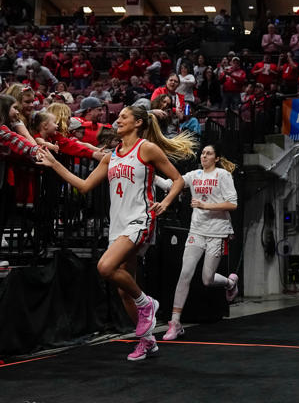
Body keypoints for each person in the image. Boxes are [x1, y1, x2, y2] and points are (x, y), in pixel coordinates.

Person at [37, 105, 196, 361]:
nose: (118, 119)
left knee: (105, 267)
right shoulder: (111, 156)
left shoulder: (146, 148)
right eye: (118, 116)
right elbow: (85, 185)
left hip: (140, 220)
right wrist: (54, 163)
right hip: (118, 225)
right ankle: (147, 341)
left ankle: (147, 304)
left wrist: (165, 203)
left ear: (138, 123)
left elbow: (177, 179)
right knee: (123, 290)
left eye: (124, 116)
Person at [155, 145, 239, 341]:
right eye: (202, 153)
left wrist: (204, 205)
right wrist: (151, 174)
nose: (204, 156)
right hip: (197, 231)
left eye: (209, 153)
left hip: (217, 232)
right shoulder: (194, 175)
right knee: (185, 273)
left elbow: (232, 204)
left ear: (216, 158)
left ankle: (230, 282)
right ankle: (175, 323)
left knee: (207, 279)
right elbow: (170, 185)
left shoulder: (223, 175)